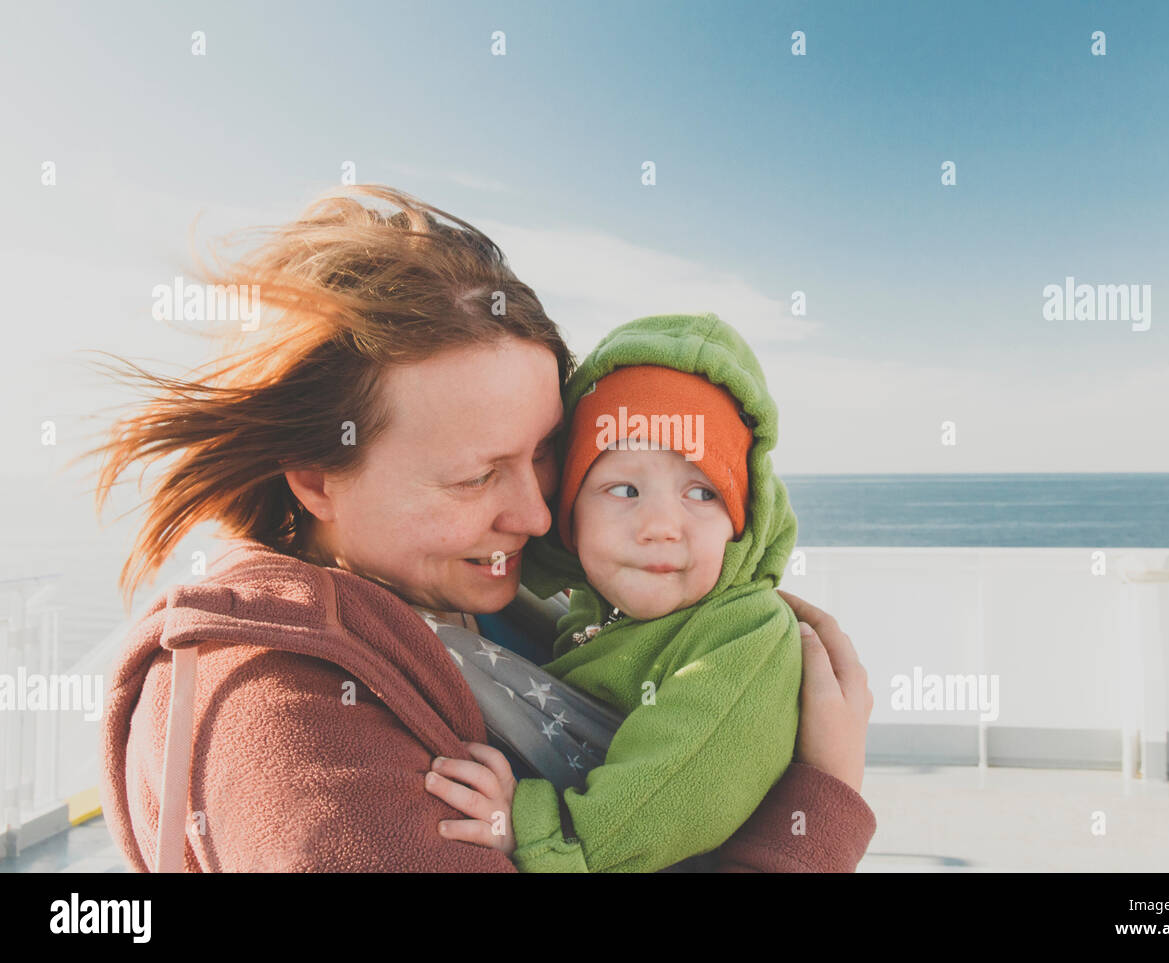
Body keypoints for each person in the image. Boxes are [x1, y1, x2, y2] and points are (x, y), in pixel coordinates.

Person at [90, 184, 876, 872]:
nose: (536, 515)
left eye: (544, 455)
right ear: (316, 476)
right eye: (475, 476)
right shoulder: (279, 713)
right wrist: (824, 803)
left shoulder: (504, 602)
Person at [424, 313, 809, 873]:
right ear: (570, 512)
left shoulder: (746, 632)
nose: (660, 525)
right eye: (624, 488)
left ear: (741, 523)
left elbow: (680, 786)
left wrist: (536, 828)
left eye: (702, 493)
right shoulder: (589, 607)